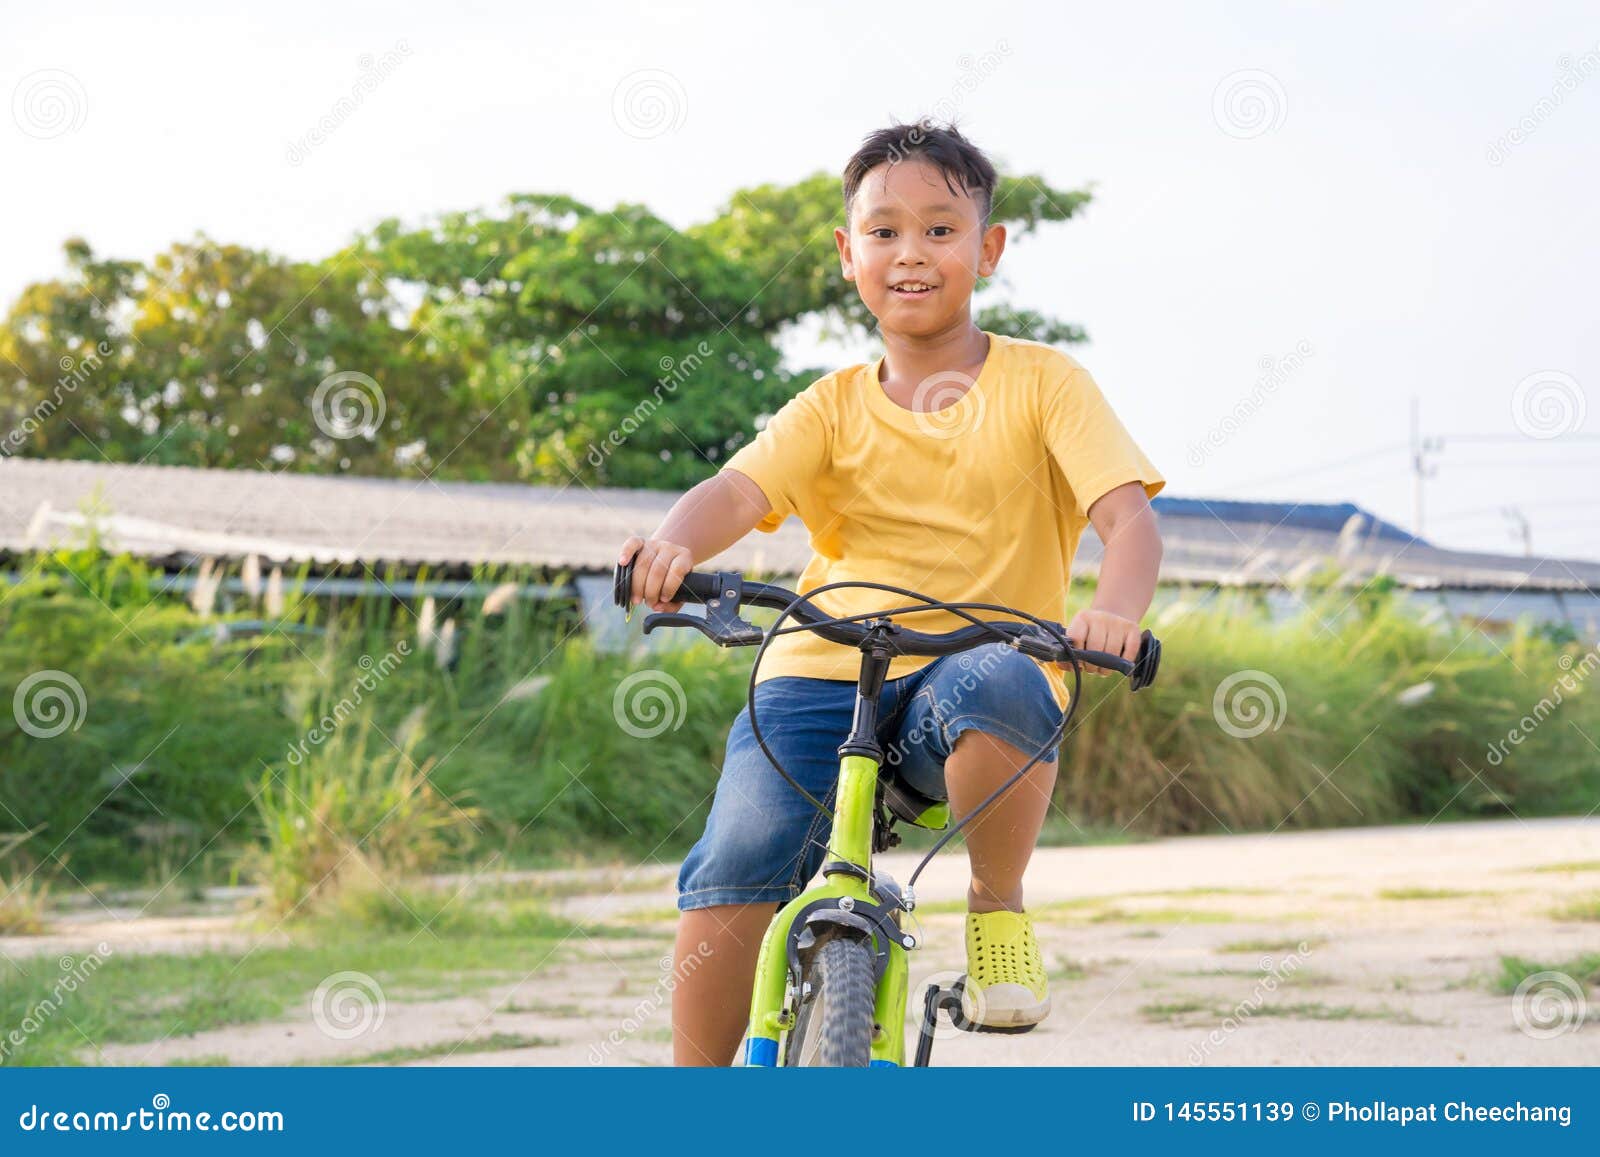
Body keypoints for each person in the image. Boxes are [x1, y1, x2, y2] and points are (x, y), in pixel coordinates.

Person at [619, 122, 1165, 1066]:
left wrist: (1115, 610)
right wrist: (671, 544)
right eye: (883, 231)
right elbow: (737, 494)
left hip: (975, 668)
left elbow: (1128, 521)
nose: (910, 252)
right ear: (848, 254)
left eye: (941, 230)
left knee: (1000, 679)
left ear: (987, 250)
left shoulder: (1046, 383)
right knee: (736, 862)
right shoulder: (828, 405)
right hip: (818, 670)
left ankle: (997, 908)